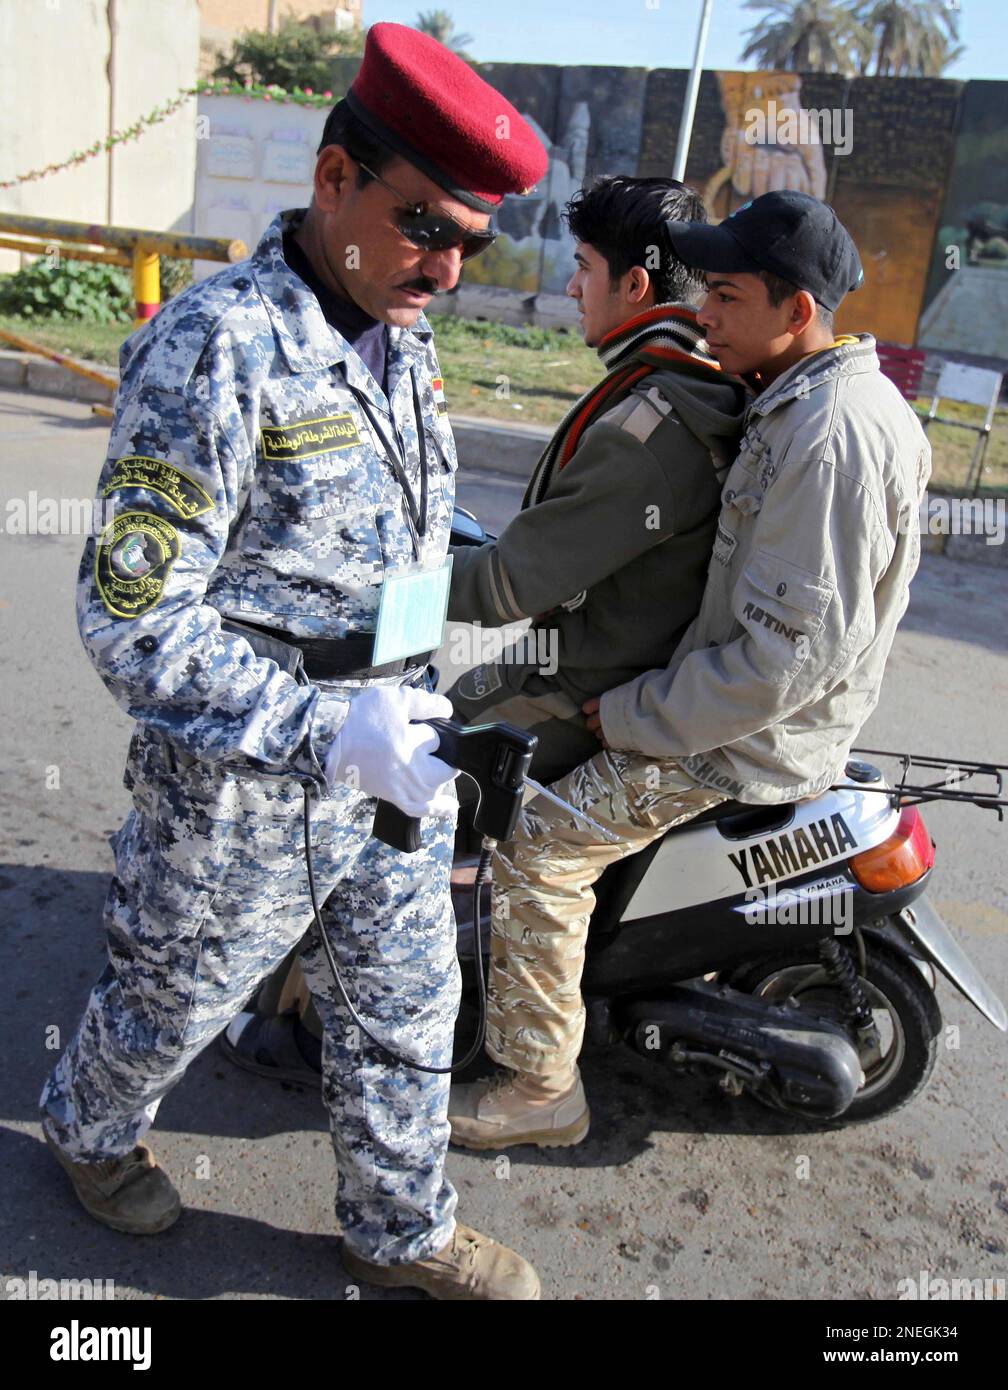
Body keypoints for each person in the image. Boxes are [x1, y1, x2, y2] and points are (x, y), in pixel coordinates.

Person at [39, 22, 548, 1301]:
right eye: (427, 222)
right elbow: (134, 623)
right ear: (334, 182)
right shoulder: (216, 346)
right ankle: (88, 1134)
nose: (447, 264)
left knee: (409, 1004)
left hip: (393, 758)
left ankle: (402, 1226)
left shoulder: (403, 328)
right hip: (242, 791)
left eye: (472, 242)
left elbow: (399, 523)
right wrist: (324, 728)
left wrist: (433, 655)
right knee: (172, 998)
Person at [225, 174, 750, 1092]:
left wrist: (368, 608)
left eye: (584, 269)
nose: (571, 288)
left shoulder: (652, 423)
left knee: (398, 772)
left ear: (633, 289)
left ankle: (329, 1012)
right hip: (606, 653)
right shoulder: (673, 385)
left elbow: (507, 584)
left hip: (582, 677)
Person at [447, 190, 932, 1150]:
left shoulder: (829, 436)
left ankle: (541, 1087)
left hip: (735, 740)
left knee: (539, 850)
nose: (703, 315)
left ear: (797, 312)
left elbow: (774, 666)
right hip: (733, 712)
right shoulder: (801, 398)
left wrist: (620, 713)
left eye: (727, 296)